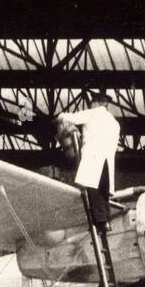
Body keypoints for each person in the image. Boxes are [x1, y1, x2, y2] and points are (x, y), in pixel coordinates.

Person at [55, 94, 121, 224]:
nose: (90, 105)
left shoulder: (94, 113)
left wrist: (60, 116)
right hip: (108, 161)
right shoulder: (115, 123)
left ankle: (100, 221)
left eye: (91, 103)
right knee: (104, 192)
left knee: (93, 190)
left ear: (96, 103)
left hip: (94, 158)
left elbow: (71, 118)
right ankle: (107, 220)